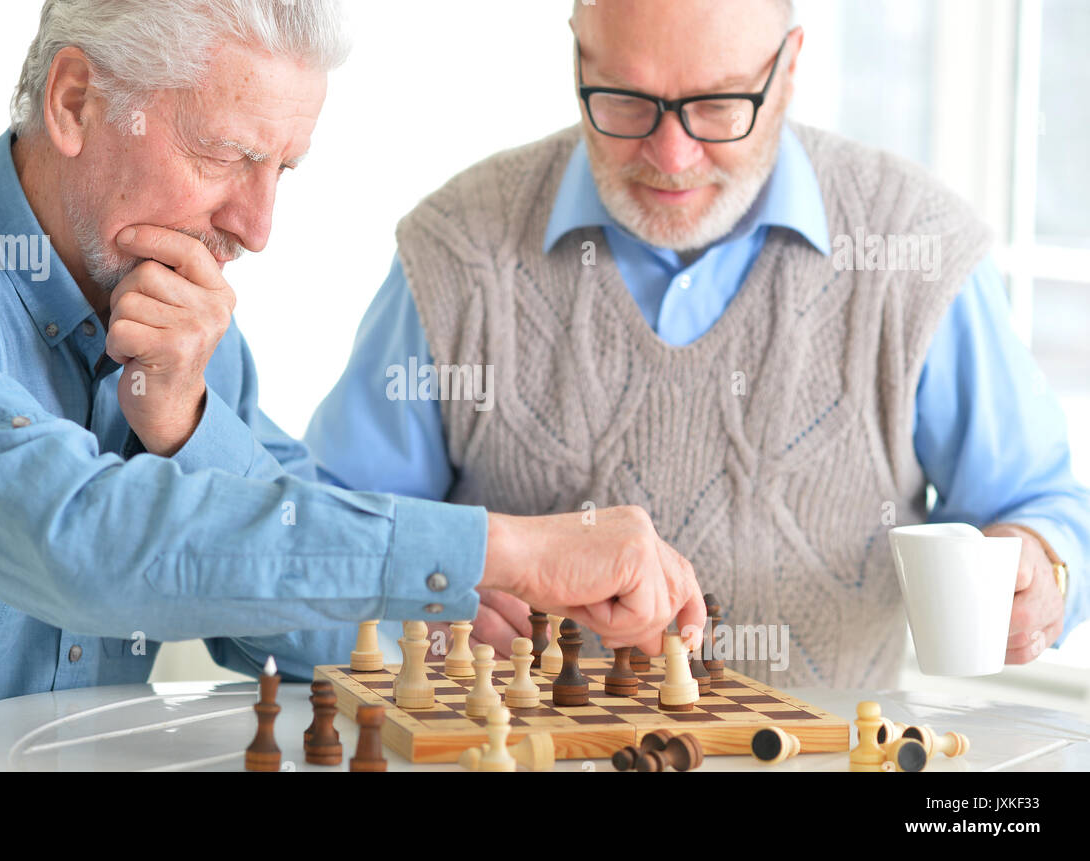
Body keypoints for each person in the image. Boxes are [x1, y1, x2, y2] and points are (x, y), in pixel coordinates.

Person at [0, 0, 703, 771]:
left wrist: (189, 427)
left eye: (283, 169)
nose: (257, 226)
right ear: (75, 101)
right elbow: (77, 543)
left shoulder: (188, 324)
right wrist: (505, 548)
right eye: (225, 155)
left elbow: (309, 644)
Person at [305, 0, 1089, 687]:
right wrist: (424, 605)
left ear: (789, 68)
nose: (671, 156)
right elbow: (307, 551)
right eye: (626, 100)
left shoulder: (914, 252)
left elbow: (1043, 507)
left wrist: (1042, 567)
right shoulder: (456, 253)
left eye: (717, 105)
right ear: (577, 52)